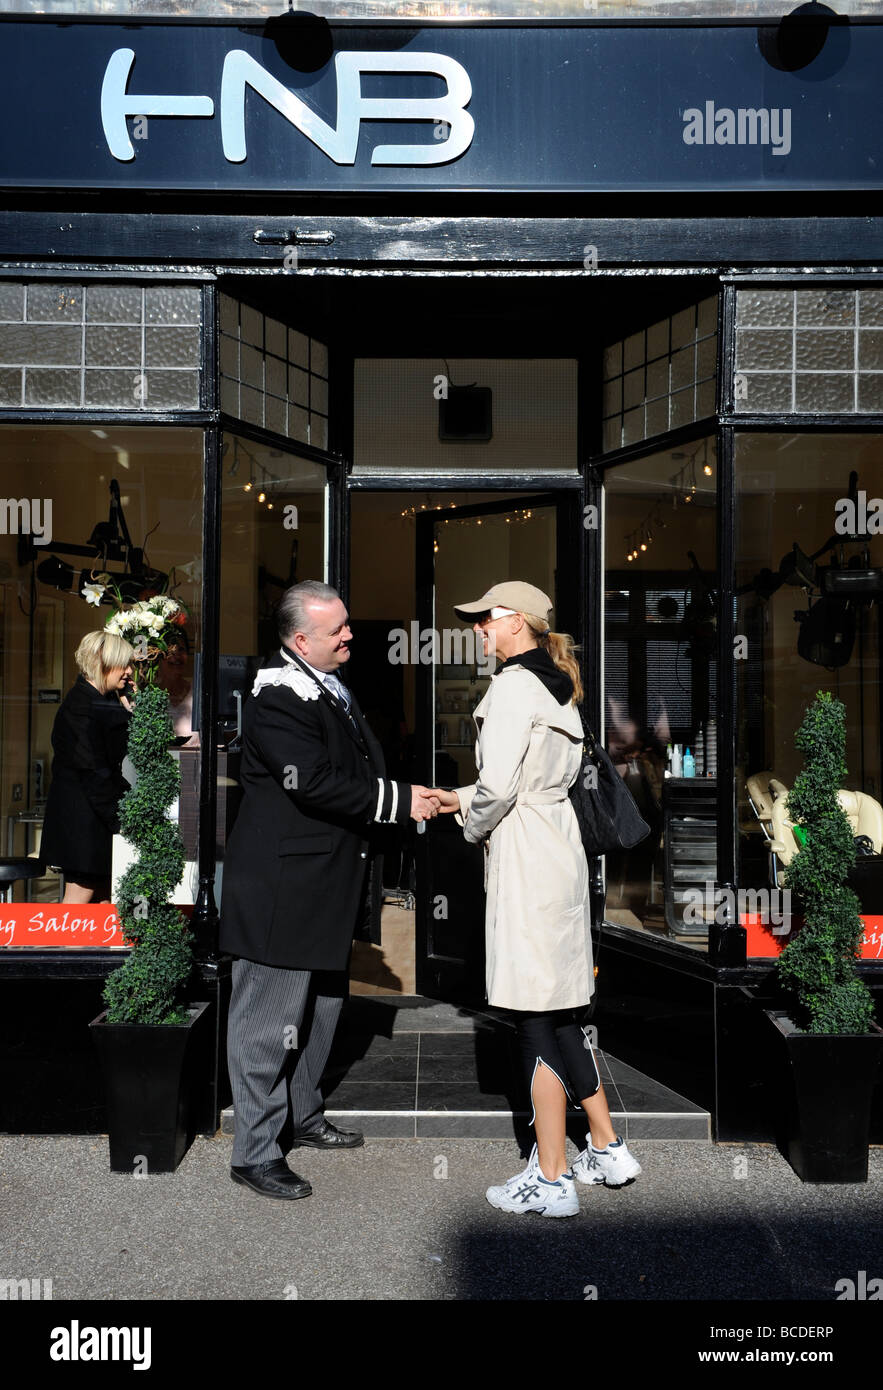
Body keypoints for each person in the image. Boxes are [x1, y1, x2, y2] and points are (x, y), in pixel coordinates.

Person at [218, 580, 439, 1201]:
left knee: (320, 1010)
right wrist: (399, 801)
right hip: (285, 889)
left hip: (322, 886)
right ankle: (255, 1153)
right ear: (299, 640)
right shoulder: (277, 695)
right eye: (337, 629)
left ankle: (302, 1117)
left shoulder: (324, 682)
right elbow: (311, 782)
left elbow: (348, 771)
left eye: (346, 624)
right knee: (268, 1021)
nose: (349, 635)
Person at [431, 580, 642, 1216]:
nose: (478, 630)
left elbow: (499, 787)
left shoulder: (511, 688)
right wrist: (460, 797)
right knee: (561, 1007)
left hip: (525, 855)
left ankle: (551, 1179)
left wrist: (470, 821)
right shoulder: (558, 684)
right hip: (560, 850)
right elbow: (533, 779)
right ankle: (605, 1146)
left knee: (532, 1014)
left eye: (485, 620)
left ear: (517, 622)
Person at [40, 629, 135, 904]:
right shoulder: (81, 706)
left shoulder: (99, 701)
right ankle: (60, 948)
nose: (129, 671)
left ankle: (82, 950)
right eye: (123, 664)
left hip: (92, 817)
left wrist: (129, 708)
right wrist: (121, 818)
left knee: (101, 901)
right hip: (82, 820)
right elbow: (93, 771)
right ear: (102, 664)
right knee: (80, 900)